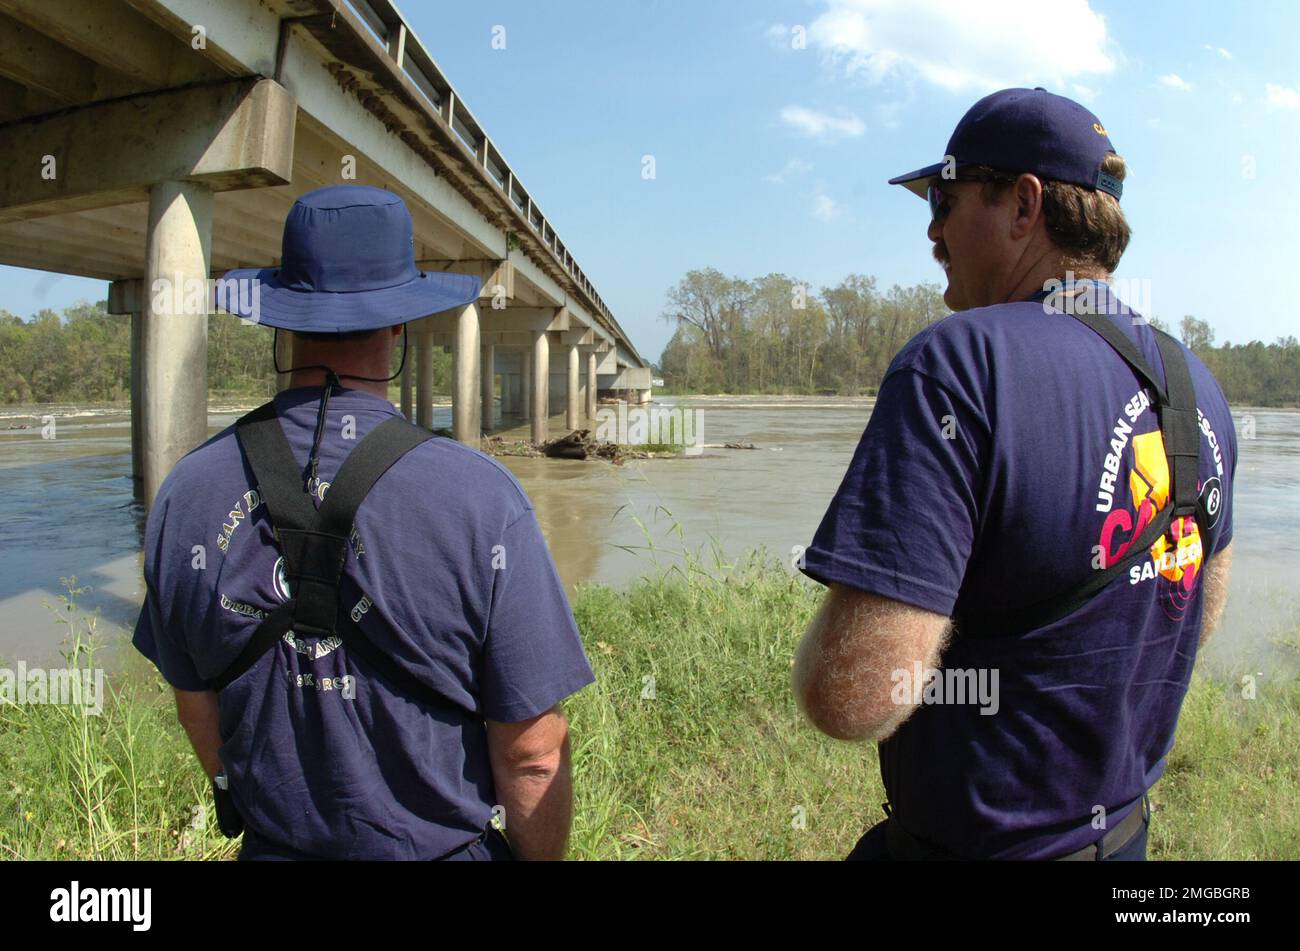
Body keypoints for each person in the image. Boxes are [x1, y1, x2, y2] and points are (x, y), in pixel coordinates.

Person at [792, 88, 1236, 860]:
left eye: (945, 198)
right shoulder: (1198, 386)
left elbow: (853, 697)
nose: (932, 229)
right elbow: (1193, 614)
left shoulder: (957, 364)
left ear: (1024, 205)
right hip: (1124, 843)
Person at [132, 184, 595, 860]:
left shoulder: (184, 494)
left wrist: (242, 793)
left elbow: (195, 705)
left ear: (280, 323)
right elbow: (532, 753)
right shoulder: (483, 499)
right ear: (400, 325)